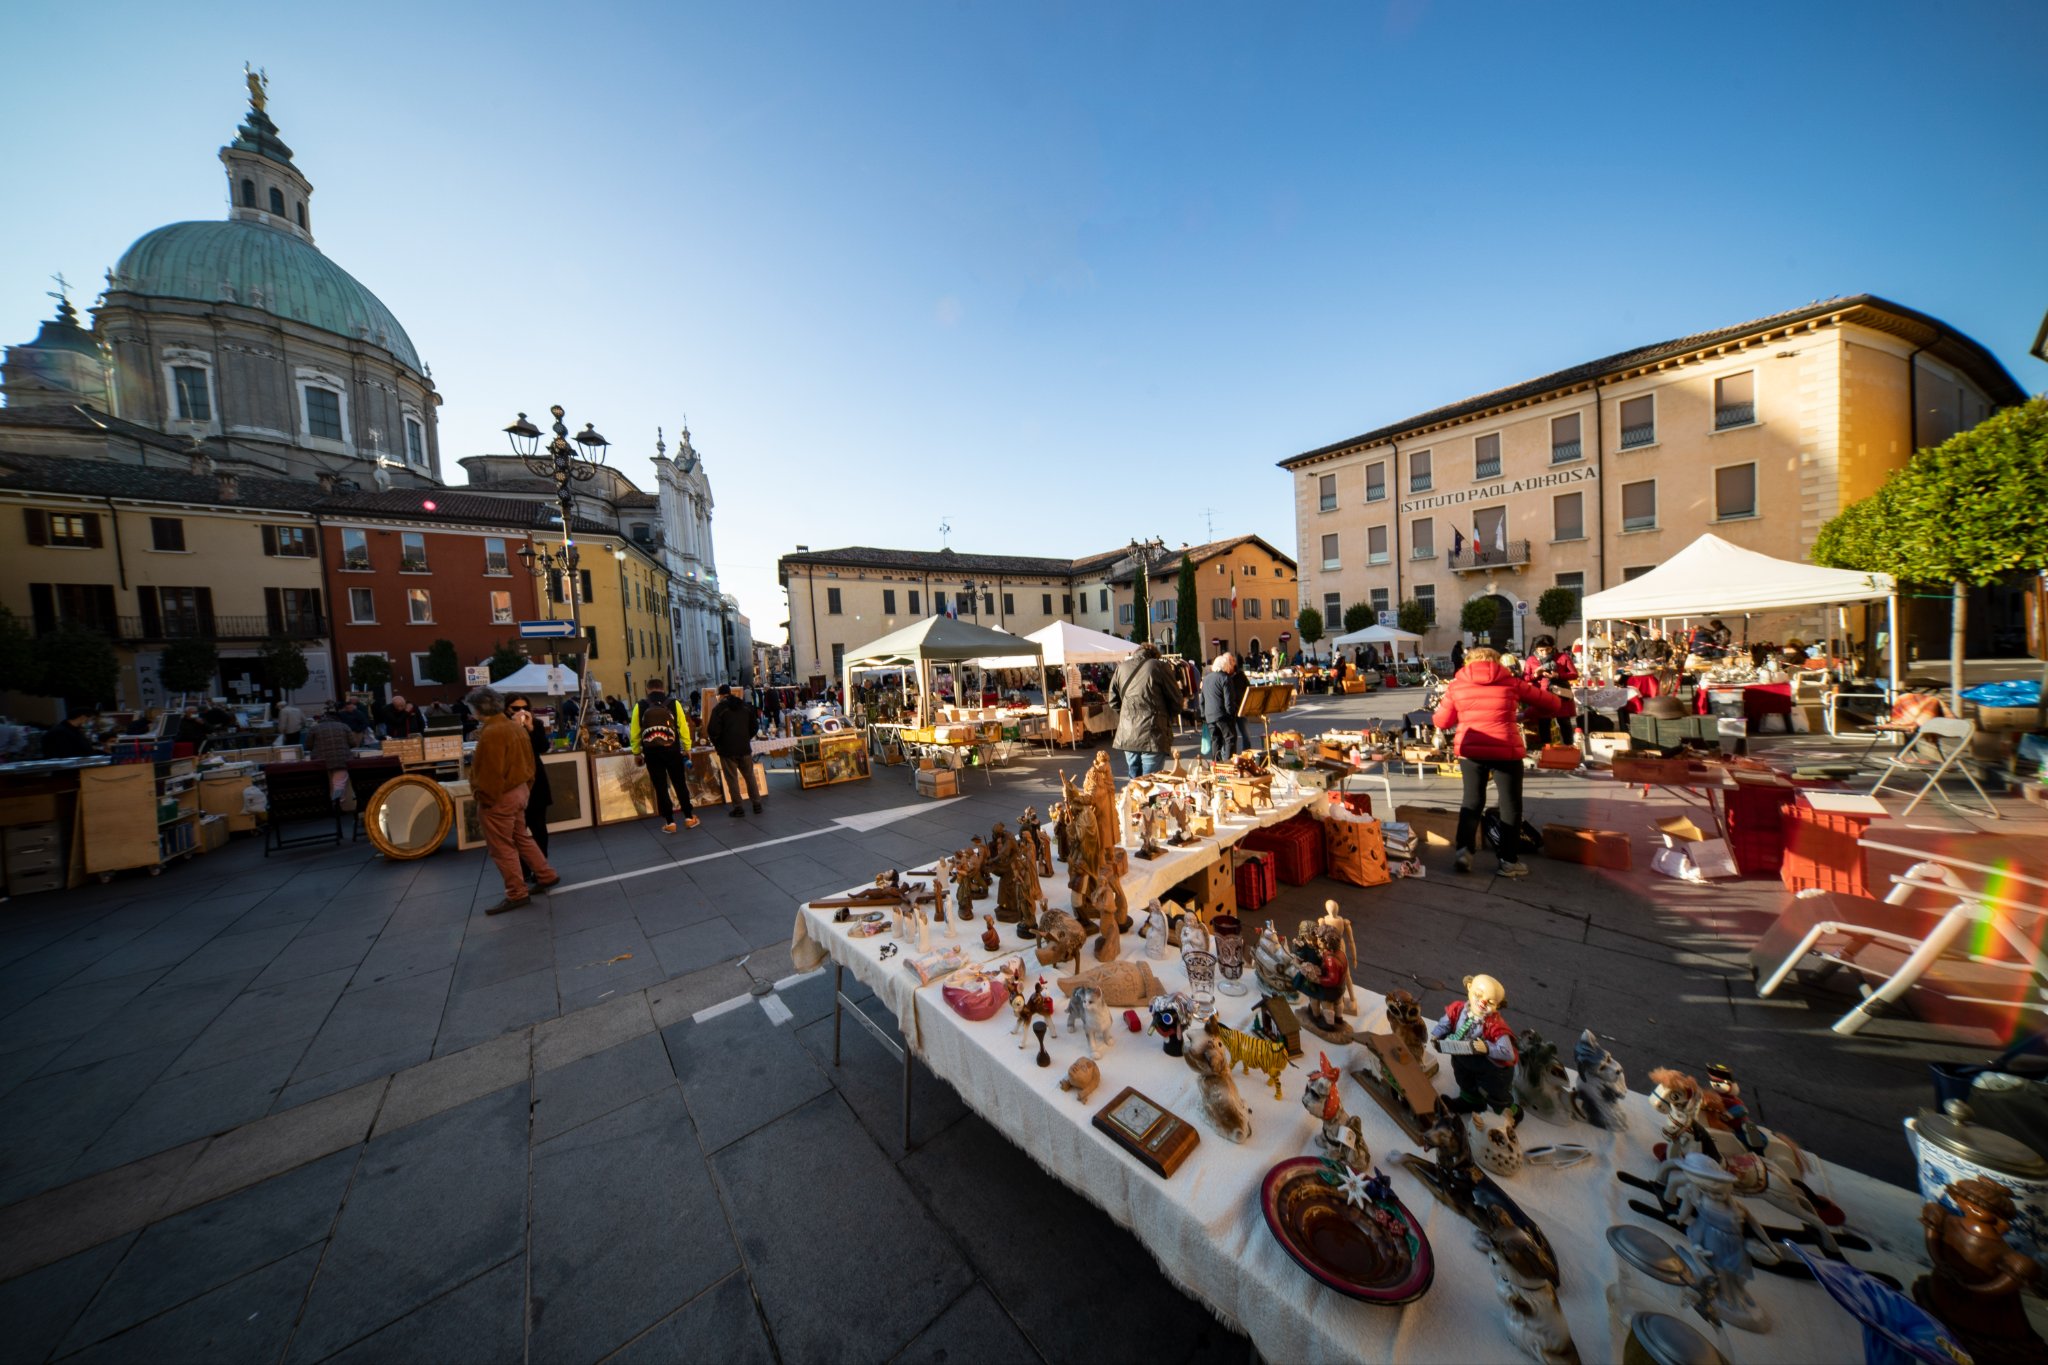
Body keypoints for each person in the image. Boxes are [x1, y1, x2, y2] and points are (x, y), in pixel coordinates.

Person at [1432, 646, 1573, 878]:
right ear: (1497, 661)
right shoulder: (1510, 681)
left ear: (1468, 662)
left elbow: (1442, 721)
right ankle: (1508, 861)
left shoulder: (1457, 685)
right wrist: (1525, 715)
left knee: (1472, 802)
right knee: (1510, 805)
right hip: (1506, 748)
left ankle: (1464, 852)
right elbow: (1553, 704)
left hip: (1470, 750)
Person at [468, 686, 557, 915]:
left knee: (503, 847)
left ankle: (517, 892)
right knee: (521, 837)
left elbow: (490, 772)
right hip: (519, 791)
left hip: (501, 796)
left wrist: (485, 798)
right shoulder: (512, 728)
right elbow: (530, 761)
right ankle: (545, 874)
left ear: (478, 709)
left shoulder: (493, 732)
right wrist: (525, 787)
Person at [630, 678, 699, 834]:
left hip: (651, 753)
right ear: (663, 688)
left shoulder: (639, 706)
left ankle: (670, 822)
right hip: (672, 751)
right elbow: (683, 727)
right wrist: (687, 748)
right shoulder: (674, 704)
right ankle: (689, 817)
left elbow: (634, 732)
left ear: (648, 690)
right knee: (679, 783)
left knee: (660, 786)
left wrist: (636, 753)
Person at [1108, 642, 1183, 778]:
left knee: (1135, 781)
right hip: (1153, 732)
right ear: (1155, 655)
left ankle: (1135, 799)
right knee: (1151, 782)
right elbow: (1176, 701)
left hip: (1129, 732)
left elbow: (1113, 701)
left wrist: (1128, 715)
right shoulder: (1159, 666)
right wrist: (1166, 717)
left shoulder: (1121, 668)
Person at [508, 698, 552, 884]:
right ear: (507, 709)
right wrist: (515, 727)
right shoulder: (504, 728)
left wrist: (531, 728)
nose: (521, 711)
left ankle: (540, 867)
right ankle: (523, 869)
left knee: (539, 827)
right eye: (516, 708)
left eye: (525, 708)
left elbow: (542, 747)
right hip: (515, 783)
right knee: (517, 830)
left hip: (536, 781)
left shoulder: (537, 724)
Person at [707, 683, 763, 817]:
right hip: (744, 747)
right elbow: (754, 726)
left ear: (720, 695)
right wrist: (746, 737)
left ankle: (738, 808)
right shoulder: (744, 705)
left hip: (727, 750)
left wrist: (718, 743)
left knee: (732, 779)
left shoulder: (719, 709)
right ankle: (757, 804)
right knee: (749, 776)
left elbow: (712, 730)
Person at [306, 706, 355, 799]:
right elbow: (353, 743)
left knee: (325, 783)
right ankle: (338, 801)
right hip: (342, 759)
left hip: (321, 761)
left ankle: (328, 803)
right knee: (339, 783)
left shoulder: (314, 728)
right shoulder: (344, 726)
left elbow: (308, 746)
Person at [1200, 653, 1241, 760]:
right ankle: (1228, 765)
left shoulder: (1206, 679)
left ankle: (1216, 765)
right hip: (1222, 716)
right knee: (1230, 739)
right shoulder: (1225, 678)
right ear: (1225, 666)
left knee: (1216, 741)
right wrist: (1231, 715)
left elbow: (1202, 700)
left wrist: (1203, 715)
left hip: (1209, 716)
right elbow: (1229, 701)